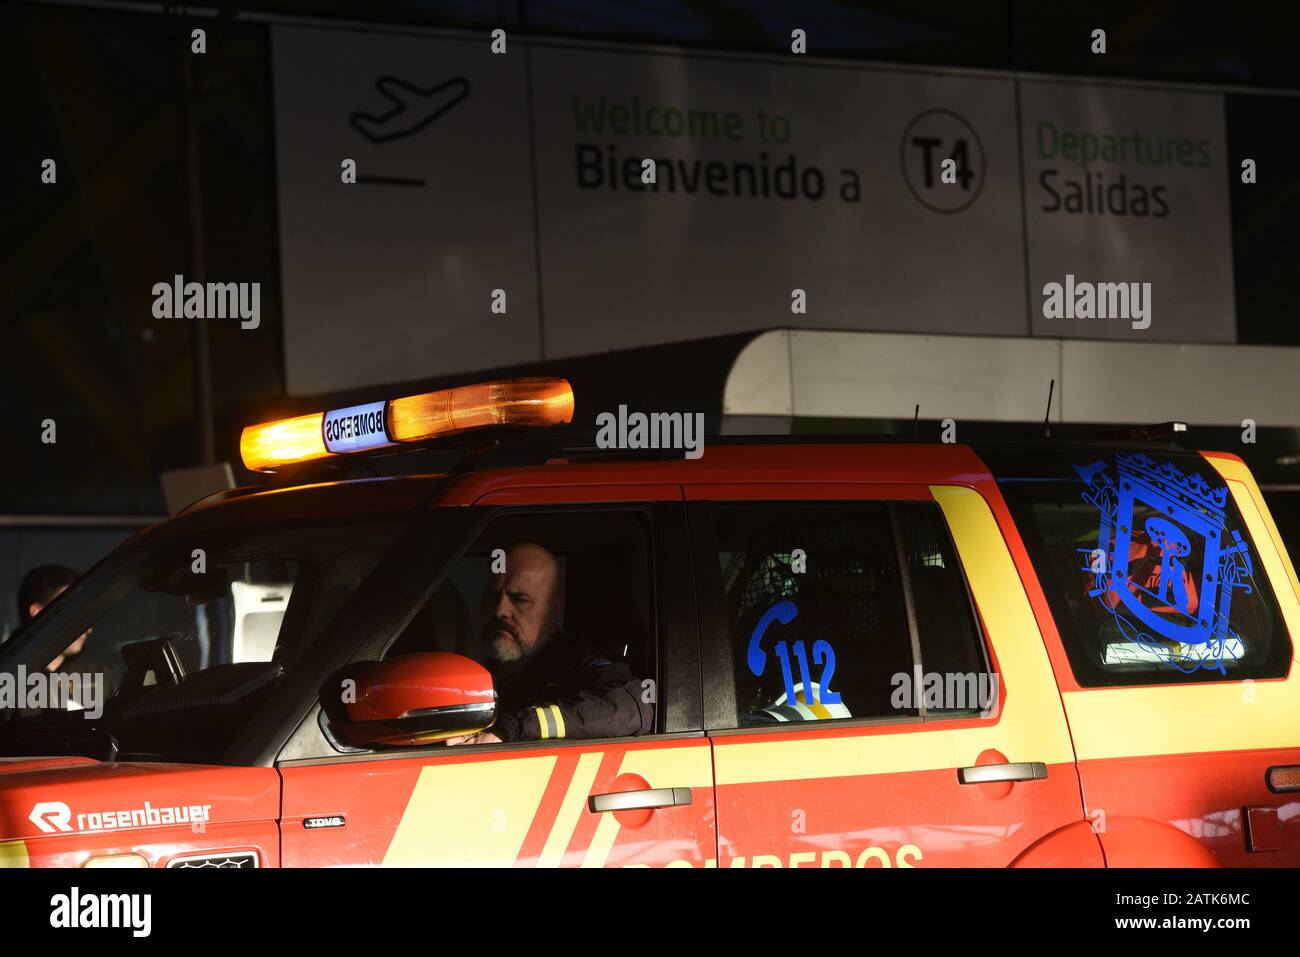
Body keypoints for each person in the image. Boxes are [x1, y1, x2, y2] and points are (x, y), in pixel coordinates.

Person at [445, 542, 653, 745]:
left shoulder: (578, 662)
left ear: (553, 610)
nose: (500, 610)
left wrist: (511, 731)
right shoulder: (480, 678)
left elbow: (630, 705)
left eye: (519, 599)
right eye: (492, 595)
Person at [16, 565, 89, 671]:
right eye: (71, 612)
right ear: (38, 613)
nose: (88, 628)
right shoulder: (9, 679)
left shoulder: (98, 678)